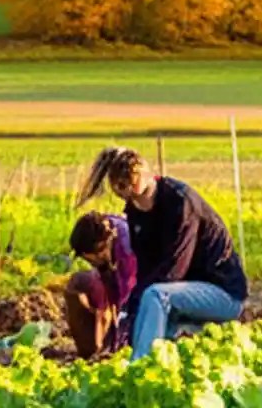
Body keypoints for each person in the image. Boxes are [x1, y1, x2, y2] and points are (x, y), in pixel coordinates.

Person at [76, 146, 248, 359]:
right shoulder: (135, 213)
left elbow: (175, 270)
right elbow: (145, 268)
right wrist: (129, 311)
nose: (135, 203)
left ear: (144, 177)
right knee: (149, 308)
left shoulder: (180, 202)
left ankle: (141, 366)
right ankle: (145, 369)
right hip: (185, 294)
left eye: (134, 191)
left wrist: (136, 303)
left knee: (156, 295)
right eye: (127, 196)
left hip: (222, 293)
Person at [65, 211, 137, 358]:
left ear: (99, 249)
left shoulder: (125, 249)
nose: (90, 264)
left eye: (89, 260)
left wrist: (118, 343)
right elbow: (112, 292)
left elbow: (126, 296)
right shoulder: (105, 231)